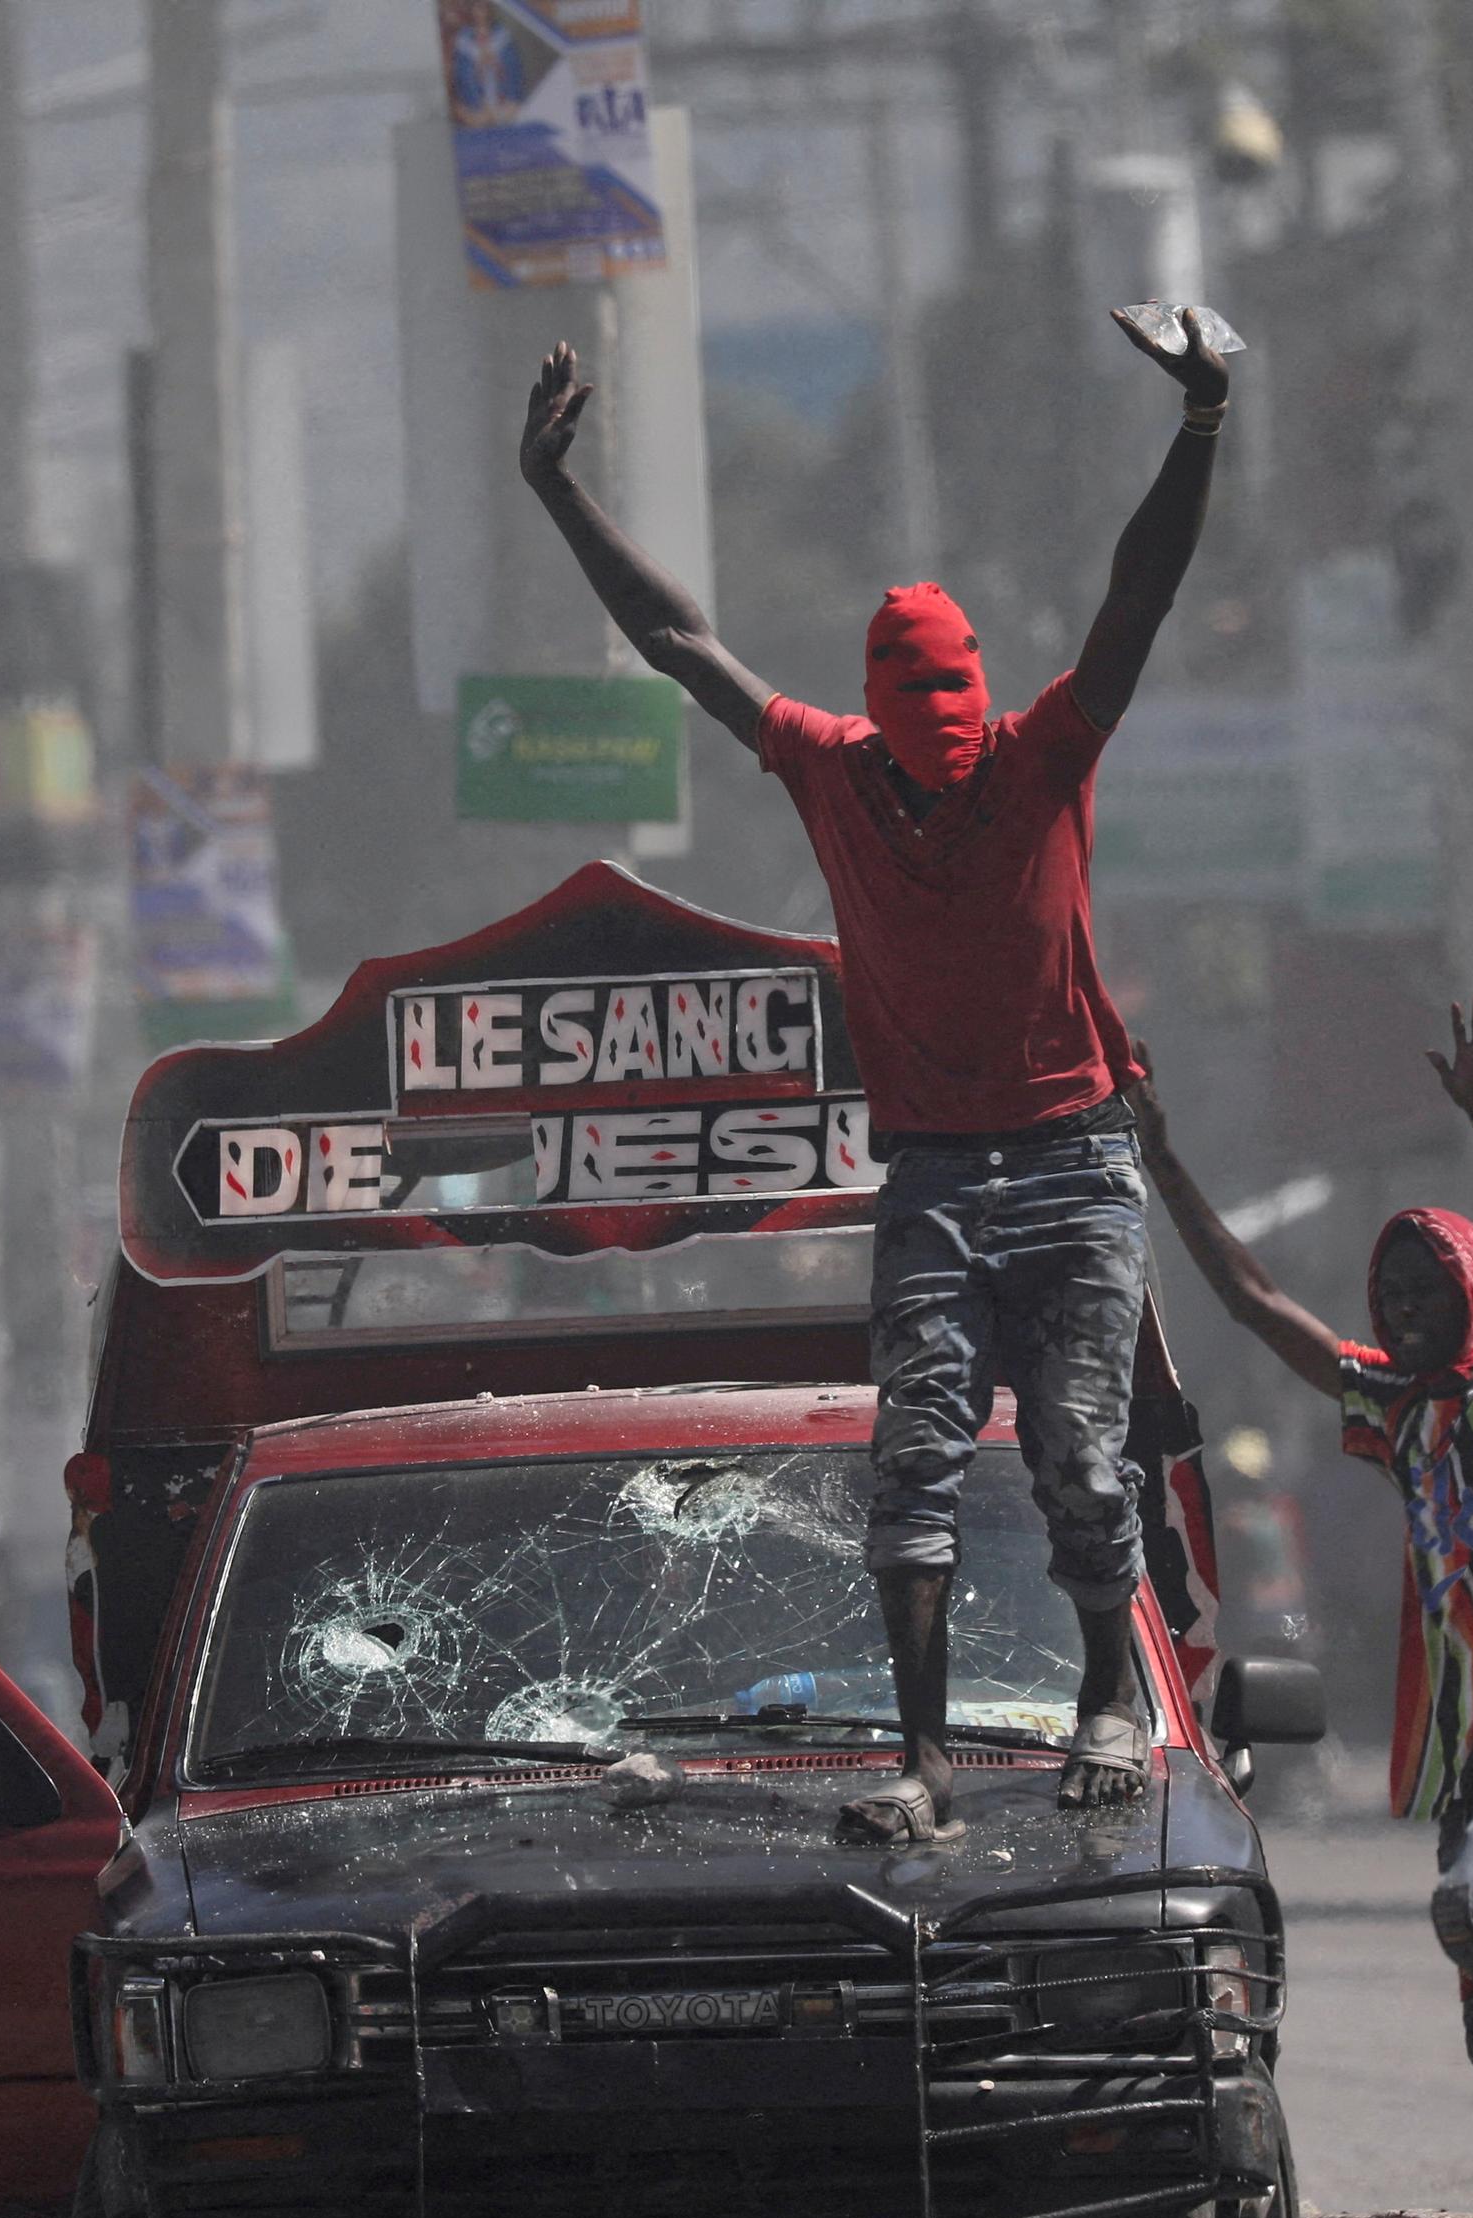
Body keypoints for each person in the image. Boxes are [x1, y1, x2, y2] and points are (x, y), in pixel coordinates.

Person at [517, 301, 1236, 1841]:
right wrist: (557, 491)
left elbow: (1136, 597)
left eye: (956, 733)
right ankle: (920, 1765)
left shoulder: (1041, 758)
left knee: (1080, 1458)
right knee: (910, 1456)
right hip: (931, 1171)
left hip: (1072, 1157)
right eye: (919, 739)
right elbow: (675, 640)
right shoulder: (832, 769)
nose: (941, 761)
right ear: (880, 720)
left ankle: (1110, 1691)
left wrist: (1201, 426)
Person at [1133, 1000, 1473, 2218]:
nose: (1405, 1307)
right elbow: (1255, 1301)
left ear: (1467, 1294)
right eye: (1389, 1289)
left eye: (1427, 1289)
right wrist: (1159, 1161)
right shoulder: (1394, 1412)